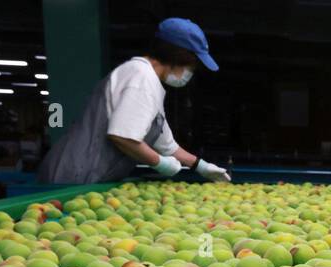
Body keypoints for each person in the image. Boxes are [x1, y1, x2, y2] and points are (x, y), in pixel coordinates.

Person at [37, 18, 230, 185]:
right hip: (73, 176)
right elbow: (122, 137)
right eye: (191, 66)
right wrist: (159, 163)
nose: (190, 73)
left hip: (88, 176)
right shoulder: (140, 77)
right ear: (177, 57)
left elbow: (167, 146)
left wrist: (201, 166)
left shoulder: (150, 82)